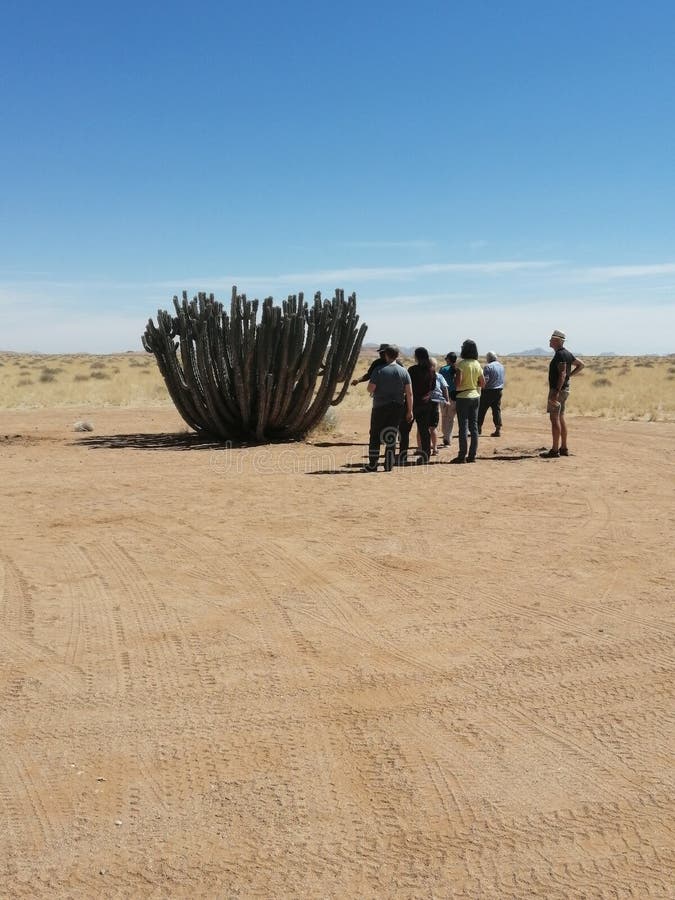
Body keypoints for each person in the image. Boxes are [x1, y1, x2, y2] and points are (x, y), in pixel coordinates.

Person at [364, 345, 413, 472]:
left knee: (375, 434)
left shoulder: (379, 370)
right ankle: (389, 464)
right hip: (397, 406)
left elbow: (370, 388)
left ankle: (373, 464)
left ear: (386, 355)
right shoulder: (404, 371)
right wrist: (410, 410)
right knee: (392, 433)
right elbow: (409, 393)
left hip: (380, 406)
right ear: (397, 355)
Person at [541, 329, 585, 458]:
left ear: (557, 341)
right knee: (560, 417)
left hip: (558, 391)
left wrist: (556, 391)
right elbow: (581, 365)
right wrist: (569, 377)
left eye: (551, 339)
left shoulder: (560, 355)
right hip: (565, 389)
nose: (549, 341)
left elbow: (562, 374)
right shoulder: (567, 354)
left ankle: (555, 450)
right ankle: (564, 447)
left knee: (554, 419)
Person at [398, 347, 436, 465]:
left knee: (404, 431)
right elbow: (433, 387)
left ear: (417, 357)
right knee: (424, 431)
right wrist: (428, 395)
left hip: (412, 404)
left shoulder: (412, 370)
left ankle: (403, 456)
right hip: (425, 405)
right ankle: (425, 457)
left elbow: (407, 387)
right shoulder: (431, 371)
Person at [451, 339, 485, 463]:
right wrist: (472, 383)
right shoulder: (477, 363)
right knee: (474, 427)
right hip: (475, 396)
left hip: (463, 397)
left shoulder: (461, 364)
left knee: (463, 427)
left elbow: (458, 384)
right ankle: (472, 455)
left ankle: (461, 456)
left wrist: (456, 378)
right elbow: (483, 383)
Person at [478, 351, 505, 437]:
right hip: (499, 390)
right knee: (496, 410)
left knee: (481, 410)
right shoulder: (501, 366)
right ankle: (498, 429)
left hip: (488, 391)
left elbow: (485, 380)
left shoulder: (488, 367)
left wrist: (478, 384)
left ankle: (478, 428)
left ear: (488, 358)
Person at [428, 357, 449, 455]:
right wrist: (446, 400)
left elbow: (444, 388)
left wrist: (447, 400)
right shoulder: (439, 376)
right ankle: (434, 448)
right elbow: (444, 388)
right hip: (434, 402)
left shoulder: (424, 376)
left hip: (426, 402)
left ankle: (422, 448)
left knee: (423, 427)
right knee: (432, 427)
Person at [439, 352, 458, 446]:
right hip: (454, 396)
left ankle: (445, 435)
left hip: (443, 396)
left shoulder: (443, 369)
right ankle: (447, 438)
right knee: (451, 418)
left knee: (444, 416)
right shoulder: (458, 369)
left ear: (448, 359)